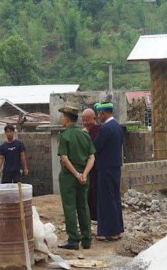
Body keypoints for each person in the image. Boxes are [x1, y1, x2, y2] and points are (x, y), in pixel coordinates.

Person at [56, 105, 96, 251]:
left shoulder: (64, 135)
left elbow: (64, 158)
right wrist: (84, 174)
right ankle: (86, 239)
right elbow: (91, 157)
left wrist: (76, 174)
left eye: (62, 117)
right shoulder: (84, 135)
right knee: (83, 206)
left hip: (69, 177)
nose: (61, 119)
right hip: (84, 177)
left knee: (70, 207)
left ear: (67, 119)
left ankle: (73, 239)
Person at [93, 102, 124, 241]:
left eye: (99, 113)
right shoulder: (117, 126)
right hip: (115, 167)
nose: (98, 116)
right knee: (115, 198)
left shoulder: (105, 129)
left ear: (104, 113)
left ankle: (108, 232)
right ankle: (117, 230)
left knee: (106, 199)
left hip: (105, 168)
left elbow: (96, 146)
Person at [81, 108, 102, 221]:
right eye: (83, 120)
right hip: (88, 168)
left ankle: (97, 216)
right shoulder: (84, 132)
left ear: (94, 119)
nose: (85, 123)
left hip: (98, 167)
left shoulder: (99, 131)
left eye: (87, 120)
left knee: (96, 192)